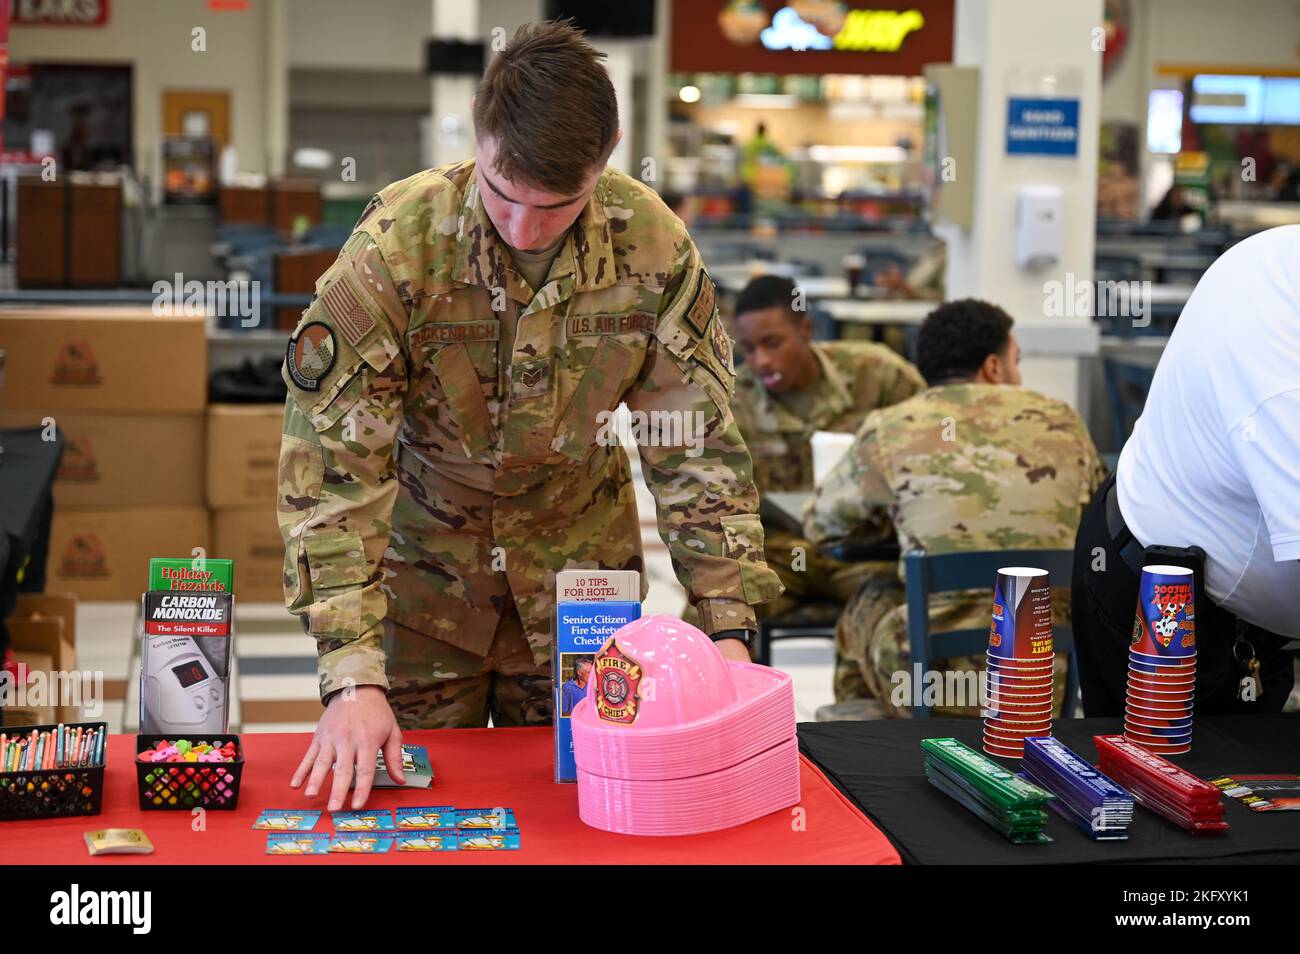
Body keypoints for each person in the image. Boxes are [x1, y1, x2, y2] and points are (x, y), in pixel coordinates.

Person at [277, 21, 782, 811]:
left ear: (608, 151)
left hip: (584, 599)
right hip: (421, 596)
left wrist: (726, 627)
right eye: (502, 194)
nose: (524, 228)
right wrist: (350, 674)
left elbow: (696, 447)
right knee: (413, 821)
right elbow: (333, 477)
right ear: (478, 138)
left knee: (593, 816)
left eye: (558, 206)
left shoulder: (650, 244)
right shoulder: (398, 249)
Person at [806, 300, 1105, 715]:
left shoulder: (892, 426)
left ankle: (867, 751)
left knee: (868, 601)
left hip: (933, 683)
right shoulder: (1064, 421)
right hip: (1043, 678)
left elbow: (821, 526)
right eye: (1016, 362)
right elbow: (1097, 517)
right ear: (993, 367)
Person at [1072, 225, 1300, 717]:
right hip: (1160, 600)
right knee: (1152, 786)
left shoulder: (1277, 253)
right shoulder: (1279, 376)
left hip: (1254, 629)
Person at [728, 274, 925, 621]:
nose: (761, 362)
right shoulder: (734, 401)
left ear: (806, 329)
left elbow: (930, 450)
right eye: (749, 350)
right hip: (777, 557)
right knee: (712, 623)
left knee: (904, 623)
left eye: (772, 343)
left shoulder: (877, 376)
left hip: (865, 554)